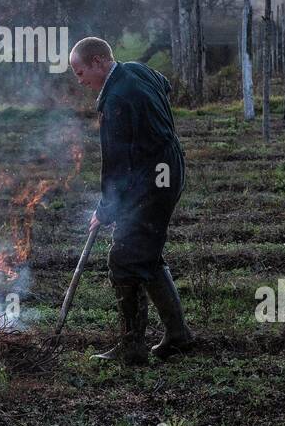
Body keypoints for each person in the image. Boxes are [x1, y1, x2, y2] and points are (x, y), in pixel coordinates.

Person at [68, 36, 193, 363]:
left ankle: (131, 346)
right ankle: (178, 336)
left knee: (124, 257)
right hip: (170, 165)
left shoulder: (117, 100)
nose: (80, 81)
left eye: (80, 73)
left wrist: (105, 210)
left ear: (98, 62)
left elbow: (117, 164)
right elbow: (164, 86)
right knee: (145, 253)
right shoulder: (138, 70)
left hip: (152, 180)